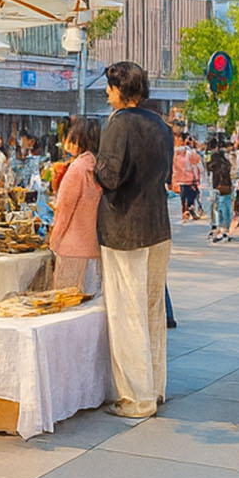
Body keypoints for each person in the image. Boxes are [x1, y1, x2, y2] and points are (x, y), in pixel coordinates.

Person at [93, 62, 174, 419]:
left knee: (128, 313)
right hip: (157, 226)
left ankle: (136, 398)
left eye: (110, 88)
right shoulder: (160, 124)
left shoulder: (118, 124)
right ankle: (155, 387)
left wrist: (91, 167)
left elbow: (109, 176)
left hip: (125, 228)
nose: (107, 93)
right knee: (152, 310)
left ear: (120, 90)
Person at [49, 116, 102, 294]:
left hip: (72, 247)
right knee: (90, 305)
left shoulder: (77, 168)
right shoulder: (99, 166)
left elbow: (64, 209)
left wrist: (54, 239)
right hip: (94, 247)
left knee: (68, 304)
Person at [207, 140, 234, 243]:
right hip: (227, 187)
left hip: (217, 187)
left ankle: (219, 230)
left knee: (218, 209)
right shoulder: (227, 162)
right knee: (227, 208)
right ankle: (226, 230)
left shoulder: (214, 162)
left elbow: (209, 168)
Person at [171, 134, 202, 222]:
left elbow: (173, 165)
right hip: (190, 179)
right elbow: (196, 167)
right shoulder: (192, 152)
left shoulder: (176, 152)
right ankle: (190, 209)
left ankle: (184, 212)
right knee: (191, 196)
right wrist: (197, 179)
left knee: (183, 197)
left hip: (180, 179)